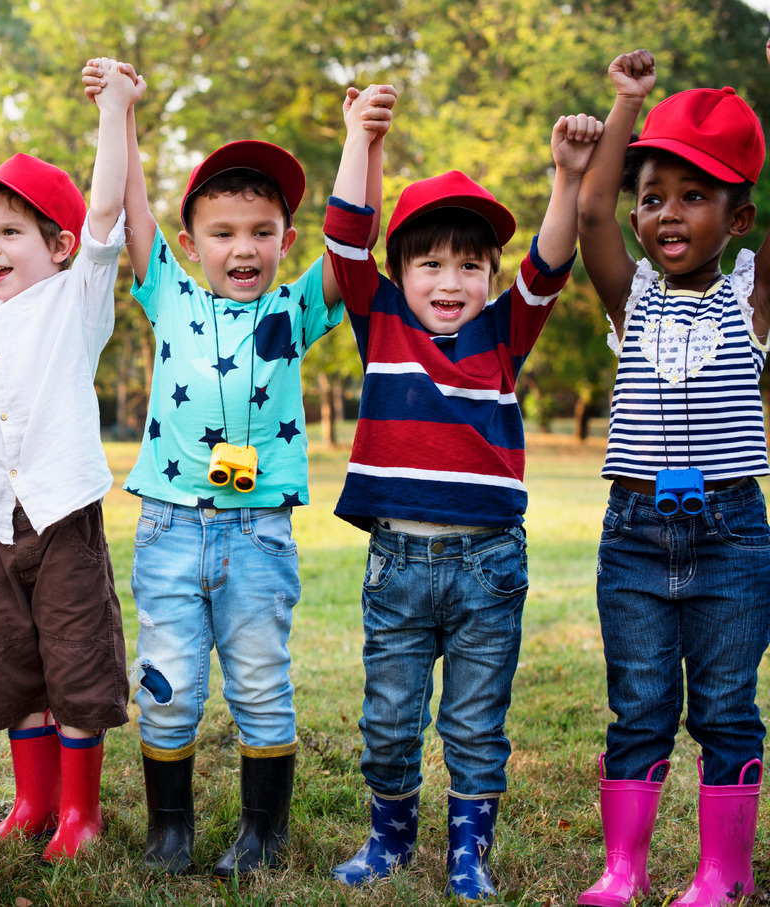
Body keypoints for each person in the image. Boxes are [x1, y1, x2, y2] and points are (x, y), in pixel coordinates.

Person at [323, 82, 601, 898]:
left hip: (488, 567)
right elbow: (345, 236)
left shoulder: (503, 333)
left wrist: (566, 175)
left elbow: (550, 263)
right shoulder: (380, 320)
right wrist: (360, 138)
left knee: (477, 722)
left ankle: (467, 855)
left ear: (489, 275)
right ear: (399, 272)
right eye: (431, 264)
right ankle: (388, 841)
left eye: (471, 266)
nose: (451, 281)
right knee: (388, 721)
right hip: (397, 565)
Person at [82, 60, 353, 877]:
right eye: (224, 232)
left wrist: (359, 141)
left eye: (262, 231)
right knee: (165, 684)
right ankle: (170, 832)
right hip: (169, 525)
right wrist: (123, 111)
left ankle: (262, 835)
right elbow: (133, 209)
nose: (244, 247)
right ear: (192, 242)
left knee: (261, 682)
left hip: (258, 533)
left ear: (285, 241)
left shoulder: (294, 309)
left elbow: (352, 242)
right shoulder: (168, 294)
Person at [0, 58, 135, 861]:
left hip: (60, 514)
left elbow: (105, 209)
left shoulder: (78, 299)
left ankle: (80, 813)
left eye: (10, 232)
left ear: (60, 244)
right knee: (11, 662)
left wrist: (113, 110)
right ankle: (33, 803)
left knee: (75, 659)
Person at [575, 49, 770, 907]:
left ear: (739, 217)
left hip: (731, 537)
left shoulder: (750, 302)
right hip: (635, 536)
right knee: (640, 706)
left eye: (695, 196)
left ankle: (724, 872)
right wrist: (626, 103)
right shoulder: (633, 297)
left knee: (725, 707)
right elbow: (590, 211)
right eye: (654, 197)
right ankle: (624, 868)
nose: (668, 213)